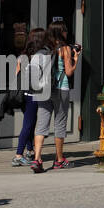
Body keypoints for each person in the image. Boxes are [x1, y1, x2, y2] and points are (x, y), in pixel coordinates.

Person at [32, 22, 79, 172]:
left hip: (43, 90)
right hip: (60, 89)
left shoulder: (43, 49)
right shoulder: (64, 49)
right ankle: (59, 160)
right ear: (61, 33)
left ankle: (37, 159)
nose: (66, 33)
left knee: (41, 124)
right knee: (60, 124)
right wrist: (75, 59)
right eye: (65, 30)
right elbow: (69, 72)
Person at [10, 28, 46, 167]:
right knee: (28, 125)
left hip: (23, 93)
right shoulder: (40, 56)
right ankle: (18, 155)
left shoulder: (23, 55)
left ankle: (30, 151)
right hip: (33, 94)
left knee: (30, 123)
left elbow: (17, 75)